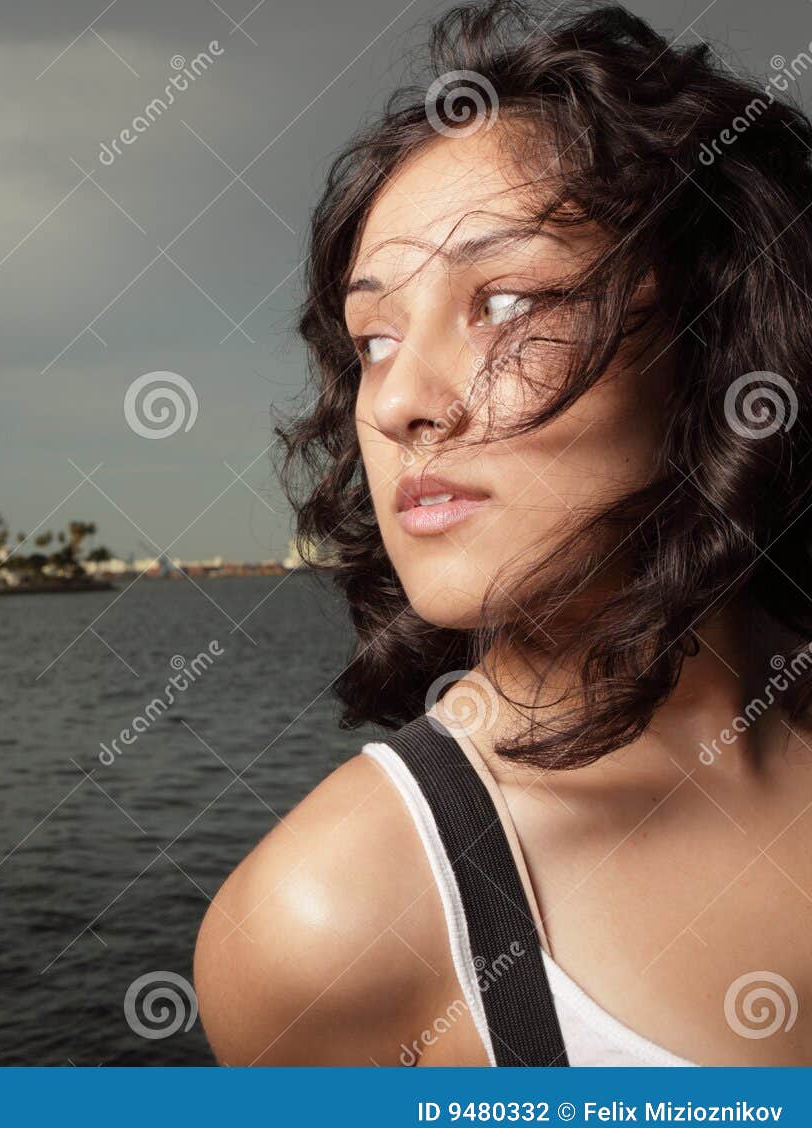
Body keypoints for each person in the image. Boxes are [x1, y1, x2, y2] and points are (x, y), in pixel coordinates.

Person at [196, 0, 812, 1066]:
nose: (401, 404)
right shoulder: (330, 920)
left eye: (507, 300)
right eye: (374, 338)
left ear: (722, 331)